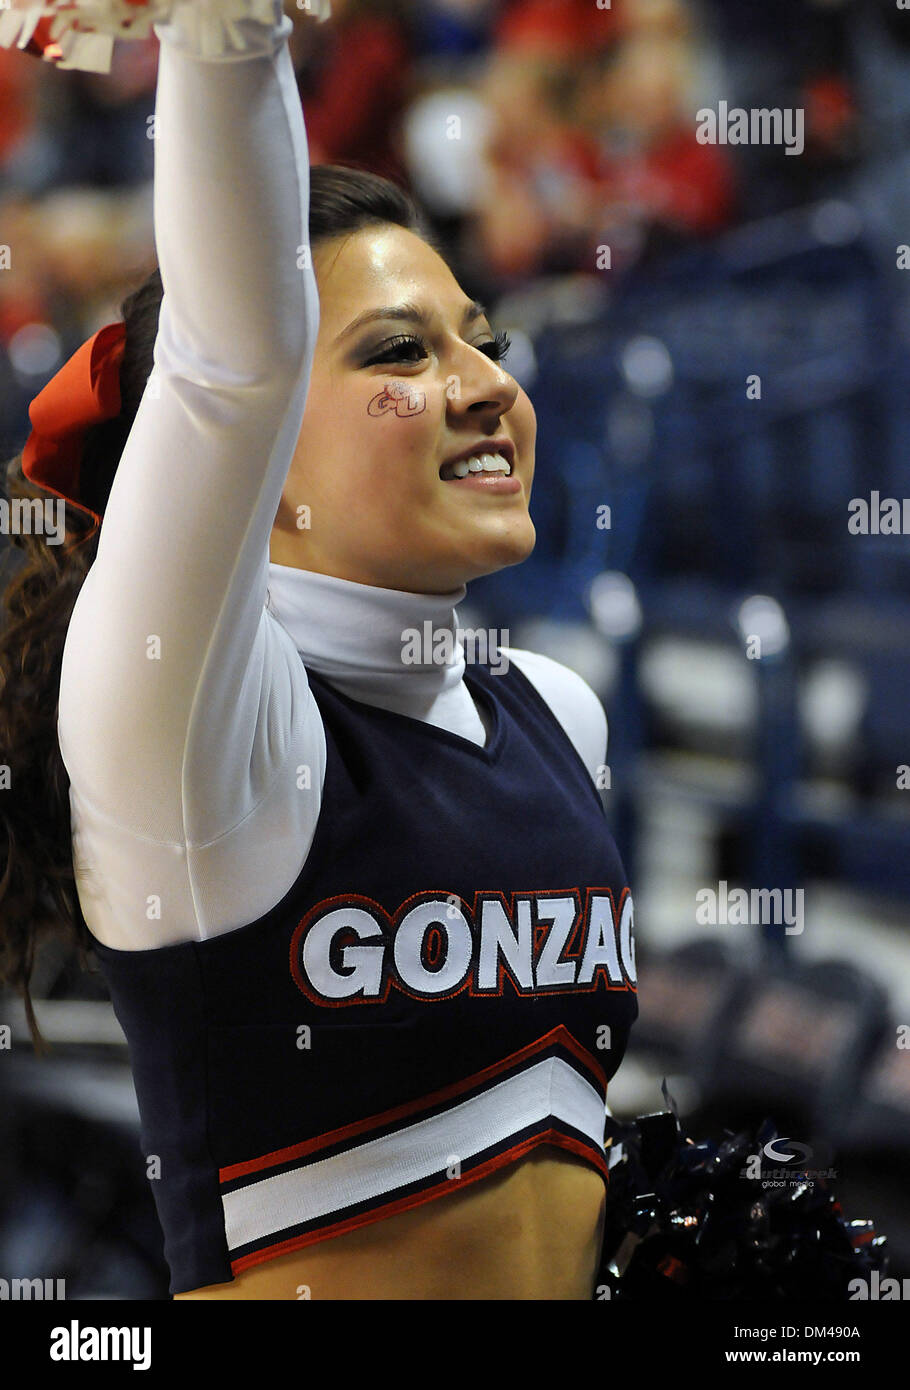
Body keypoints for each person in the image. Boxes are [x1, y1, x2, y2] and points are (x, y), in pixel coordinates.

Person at [0, 0, 637, 1299]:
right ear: (253, 471)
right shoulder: (188, 734)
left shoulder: (555, 714)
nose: (484, 384)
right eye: (400, 350)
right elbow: (232, 358)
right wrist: (223, 32)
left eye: (484, 337)